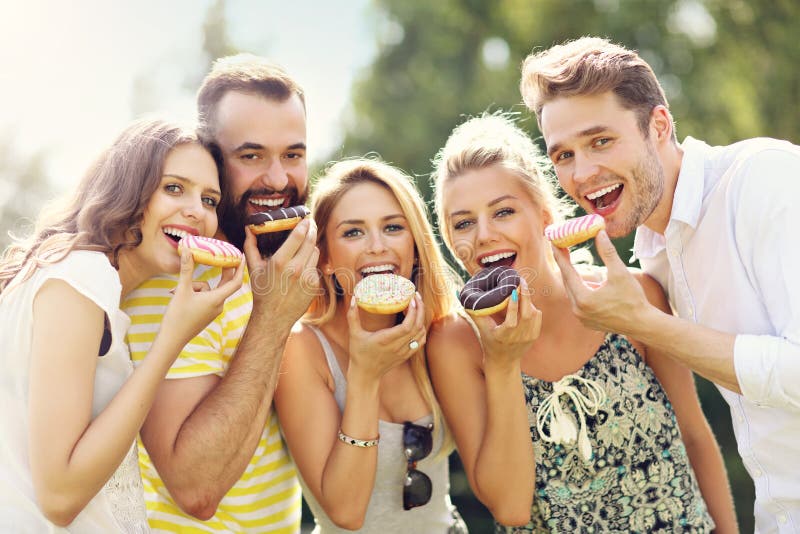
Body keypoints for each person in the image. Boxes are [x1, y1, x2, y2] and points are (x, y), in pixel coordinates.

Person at [520, 36, 800, 532]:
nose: (583, 173)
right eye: (563, 155)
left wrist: (644, 323)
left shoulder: (766, 179)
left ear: (659, 126)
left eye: (601, 141)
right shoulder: (652, 249)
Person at [429, 113, 737, 532]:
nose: (483, 235)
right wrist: (502, 364)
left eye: (503, 212)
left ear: (543, 217)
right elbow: (511, 508)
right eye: (463, 222)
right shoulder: (456, 343)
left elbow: (695, 436)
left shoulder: (634, 295)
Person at [0, 118, 243, 532]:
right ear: (129, 187)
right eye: (174, 188)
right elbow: (60, 496)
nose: (196, 211)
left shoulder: (85, 277)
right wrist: (172, 339)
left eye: (209, 200)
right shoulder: (81, 276)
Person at [122, 55, 318, 532]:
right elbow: (196, 489)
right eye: (251, 156)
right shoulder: (172, 283)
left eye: (292, 154)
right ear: (209, 158)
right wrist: (273, 320)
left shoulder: (278, 270)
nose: (277, 179)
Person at [273, 158, 467, 533]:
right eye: (353, 233)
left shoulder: (441, 332)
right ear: (325, 257)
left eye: (393, 227)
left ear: (414, 242)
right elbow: (345, 512)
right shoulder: (303, 349)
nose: (377, 246)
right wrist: (364, 377)